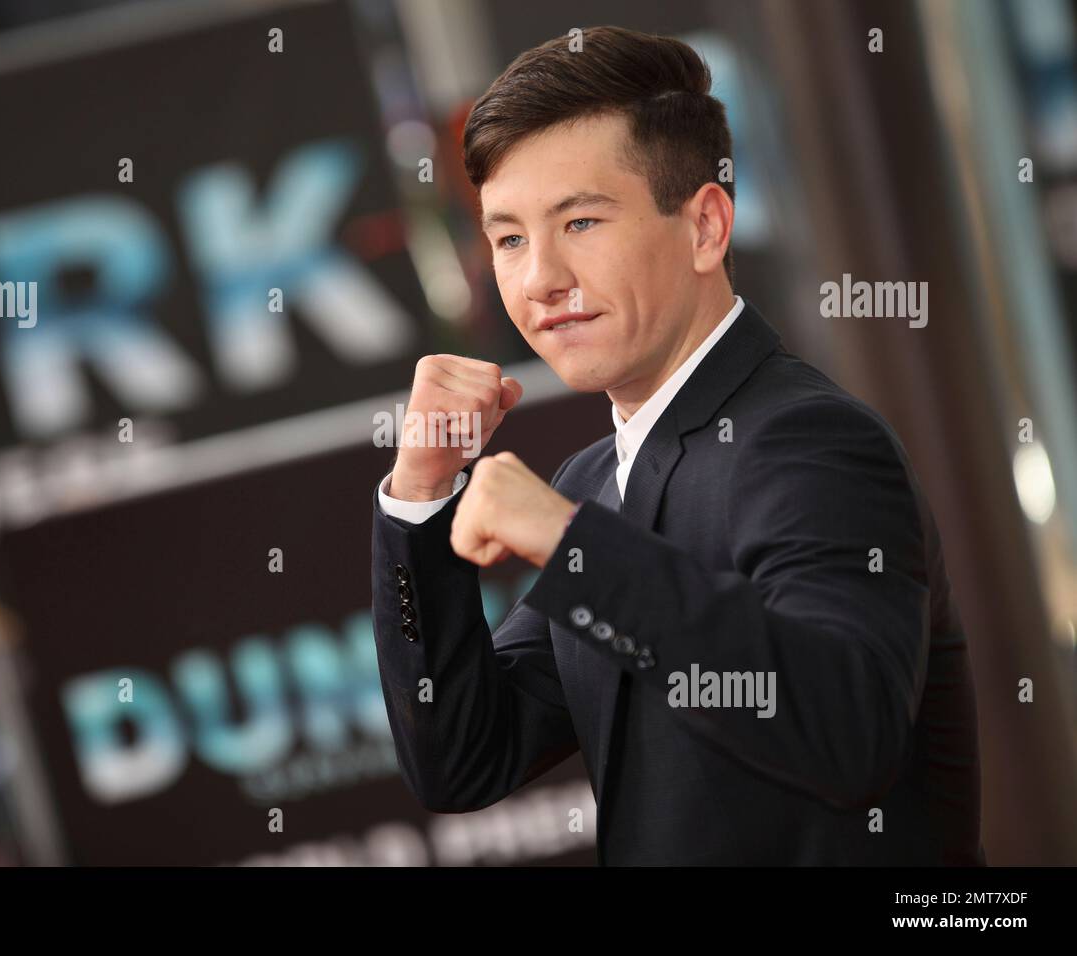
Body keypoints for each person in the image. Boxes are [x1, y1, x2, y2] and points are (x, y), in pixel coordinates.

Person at [369, 26, 984, 865]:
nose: (539, 276)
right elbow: (465, 759)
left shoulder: (810, 440)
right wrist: (420, 494)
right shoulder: (596, 482)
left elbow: (850, 733)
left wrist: (571, 545)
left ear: (705, 226)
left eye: (580, 221)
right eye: (508, 237)